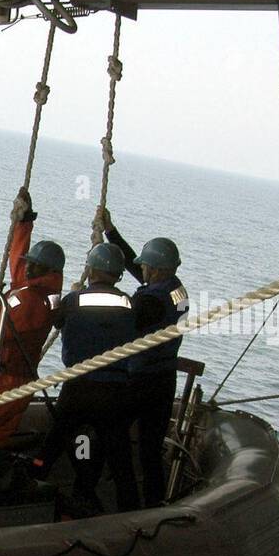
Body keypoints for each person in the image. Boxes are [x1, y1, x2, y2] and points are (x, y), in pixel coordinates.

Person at [28, 242, 141, 515]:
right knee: (119, 457)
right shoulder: (128, 303)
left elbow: (55, 318)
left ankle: (31, 480)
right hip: (114, 391)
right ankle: (131, 511)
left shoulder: (74, 300)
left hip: (79, 387)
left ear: (90, 269)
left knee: (53, 443)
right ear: (117, 273)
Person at [101, 209, 187, 507]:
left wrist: (84, 295)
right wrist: (111, 233)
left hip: (141, 379)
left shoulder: (149, 300)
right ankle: (153, 504)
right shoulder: (176, 290)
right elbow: (144, 276)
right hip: (165, 381)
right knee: (150, 449)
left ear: (157, 269)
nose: (144, 271)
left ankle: (125, 498)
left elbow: (124, 320)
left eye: (147, 267)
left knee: (112, 431)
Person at [0, 187, 64, 457]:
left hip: (4, 381)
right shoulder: (40, 292)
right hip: (14, 379)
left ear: (47, 271)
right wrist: (24, 222)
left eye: (34, 265)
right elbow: (18, 265)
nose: (27, 267)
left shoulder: (28, 301)